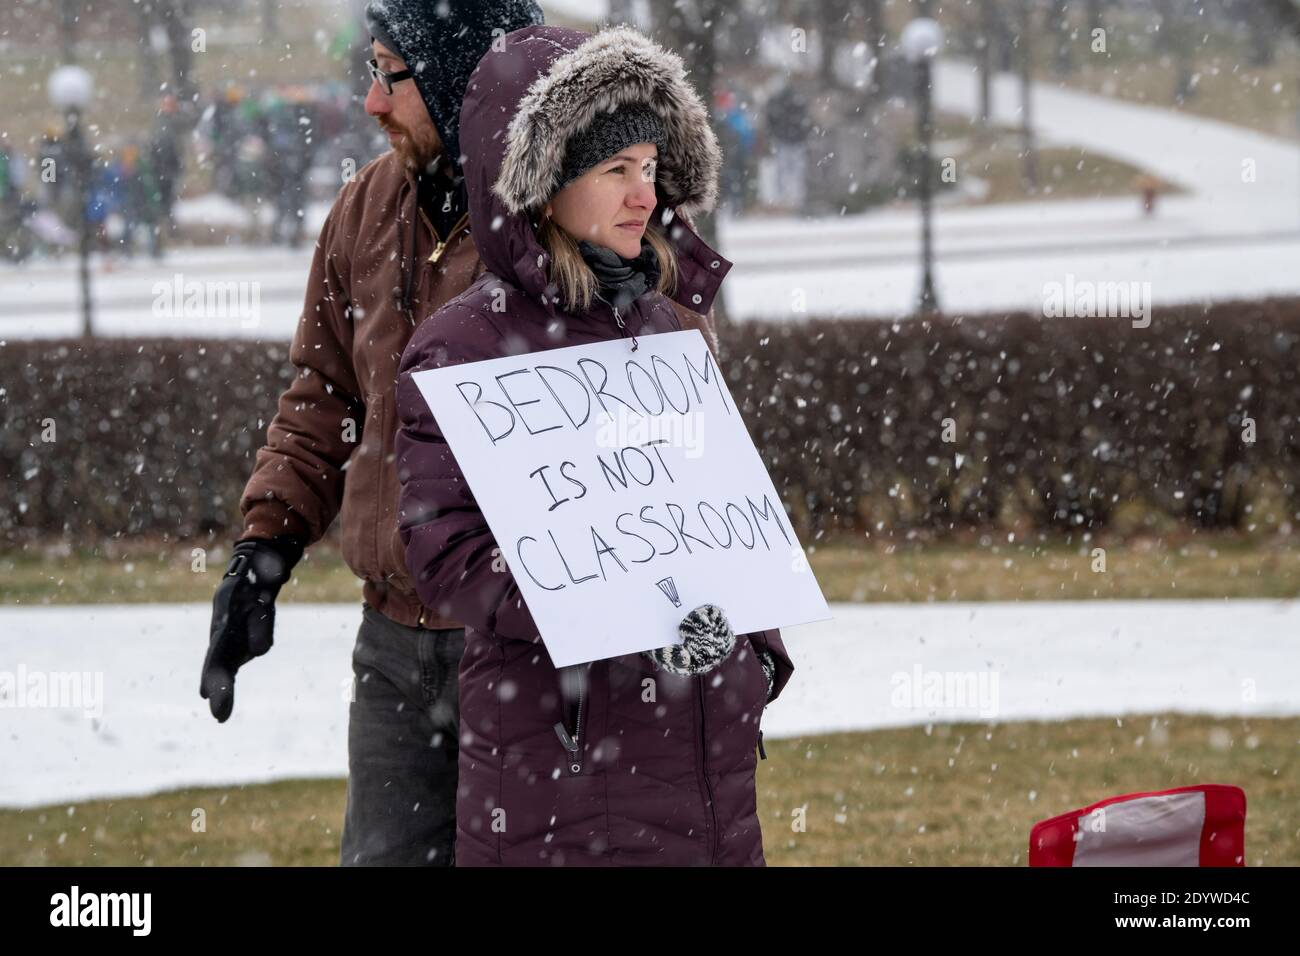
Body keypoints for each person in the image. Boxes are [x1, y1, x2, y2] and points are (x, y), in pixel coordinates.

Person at [395, 24, 795, 866]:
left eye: (651, 169)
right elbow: (444, 550)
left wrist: (753, 653)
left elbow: (727, 517)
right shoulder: (460, 347)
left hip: (706, 762)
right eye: (616, 170)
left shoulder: (670, 328)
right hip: (561, 767)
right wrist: (599, 606)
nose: (643, 195)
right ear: (540, 183)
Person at [199, 0, 548, 867]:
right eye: (373, 73)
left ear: (464, 80)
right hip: (391, 649)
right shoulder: (367, 204)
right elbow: (325, 395)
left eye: (391, 75)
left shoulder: (562, 213)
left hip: (522, 648)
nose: (371, 103)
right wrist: (263, 551)